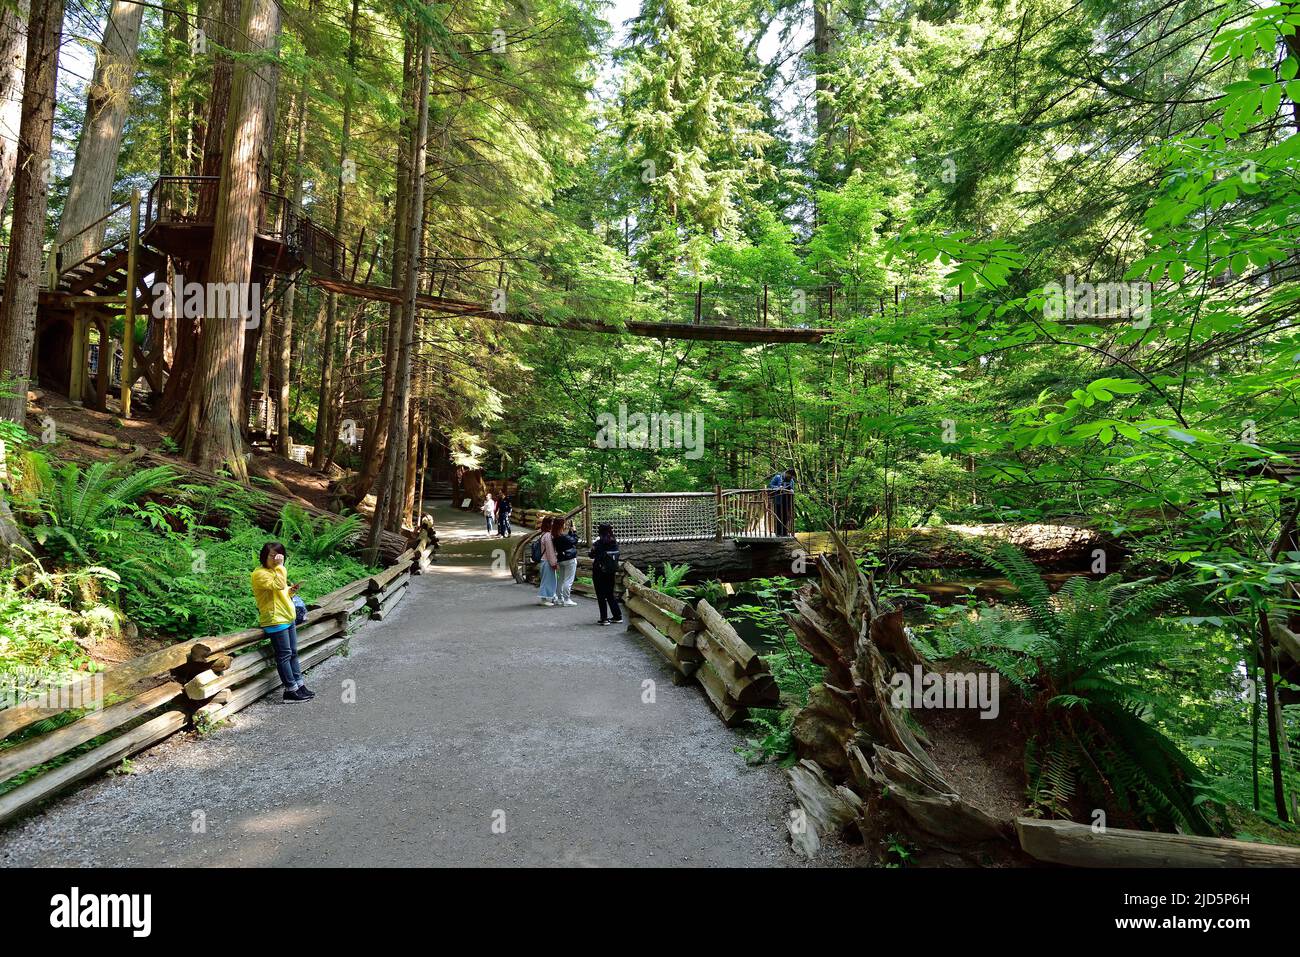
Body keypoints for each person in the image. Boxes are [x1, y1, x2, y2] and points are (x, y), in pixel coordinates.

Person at [250, 542, 315, 702]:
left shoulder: (276, 571)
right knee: (284, 655)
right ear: (264, 556)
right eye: (272, 555)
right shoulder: (259, 574)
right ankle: (290, 690)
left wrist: (290, 591)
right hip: (274, 620)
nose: (275, 559)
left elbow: (281, 591)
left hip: (287, 617)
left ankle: (299, 685)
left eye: (278, 556)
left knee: (293, 653)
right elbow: (278, 586)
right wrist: (281, 566)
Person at [589, 523, 623, 625]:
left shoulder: (598, 543)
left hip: (599, 572)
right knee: (610, 594)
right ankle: (617, 616)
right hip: (610, 571)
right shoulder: (614, 542)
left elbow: (591, 555)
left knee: (601, 595)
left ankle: (604, 618)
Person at [554, 520, 579, 607]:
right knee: (568, 580)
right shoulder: (563, 536)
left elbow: (569, 540)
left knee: (561, 579)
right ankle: (567, 599)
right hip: (569, 559)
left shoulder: (555, 536)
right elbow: (574, 541)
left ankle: (560, 598)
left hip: (561, 559)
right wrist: (574, 532)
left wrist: (570, 532)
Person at [537, 517, 559, 606]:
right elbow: (550, 551)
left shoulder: (543, 534)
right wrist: (554, 563)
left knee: (549, 580)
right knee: (547, 581)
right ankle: (543, 599)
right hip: (547, 561)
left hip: (544, 561)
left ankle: (552, 597)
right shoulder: (548, 536)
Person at [767, 468, 796, 536]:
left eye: (791, 477)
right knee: (779, 516)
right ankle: (778, 533)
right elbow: (770, 486)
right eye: (789, 476)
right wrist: (778, 487)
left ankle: (785, 532)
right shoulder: (778, 477)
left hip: (787, 502)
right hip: (779, 500)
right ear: (787, 473)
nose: (790, 478)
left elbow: (792, 488)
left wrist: (792, 490)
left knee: (786, 517)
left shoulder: (791, 480)